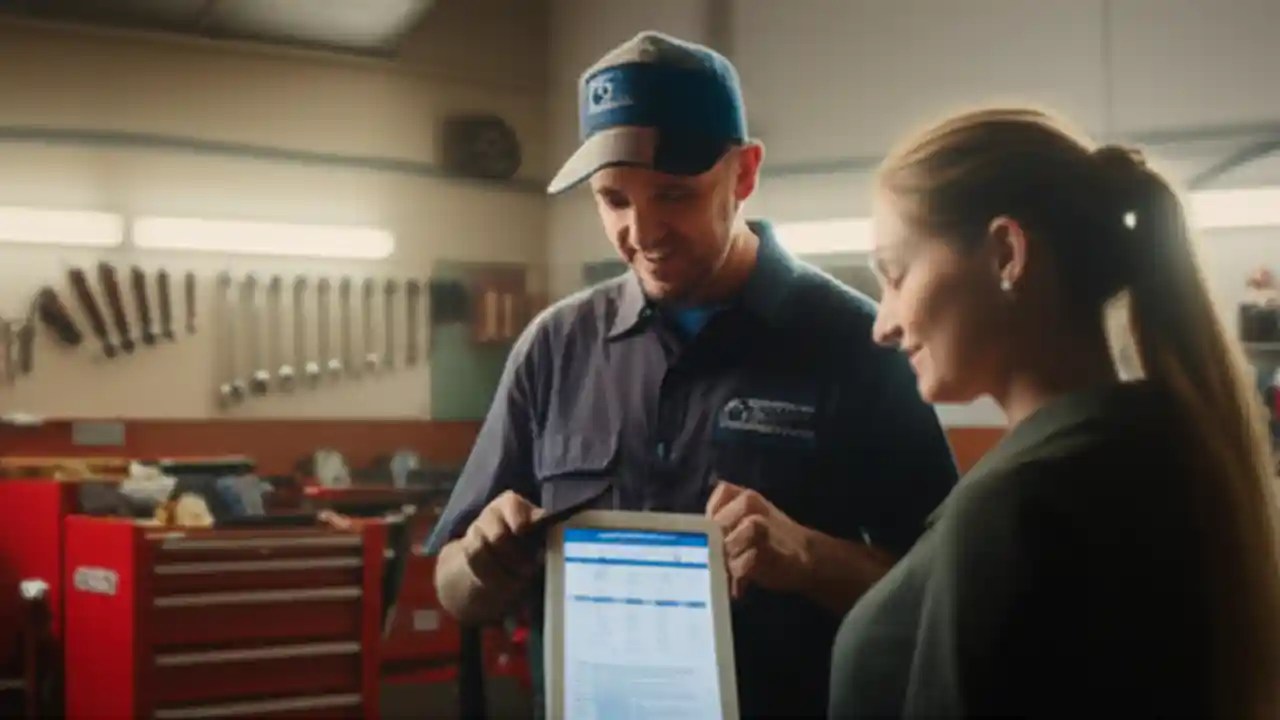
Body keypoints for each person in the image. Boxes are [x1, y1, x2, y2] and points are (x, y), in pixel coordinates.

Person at [424, 31, 959, 718]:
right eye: (614, 200)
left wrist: (810, 558)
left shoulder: (859, 346)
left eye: (673, 195)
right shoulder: (555, 348)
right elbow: (452, 586)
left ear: (744, 174)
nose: (643, 232)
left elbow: (940, 599)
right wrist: (481, 562)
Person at [828, 108, 1280, 719]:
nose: (883, 324)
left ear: (1006, 254)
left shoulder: (1015, 506)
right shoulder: (1170, 451)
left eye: (895, 274)